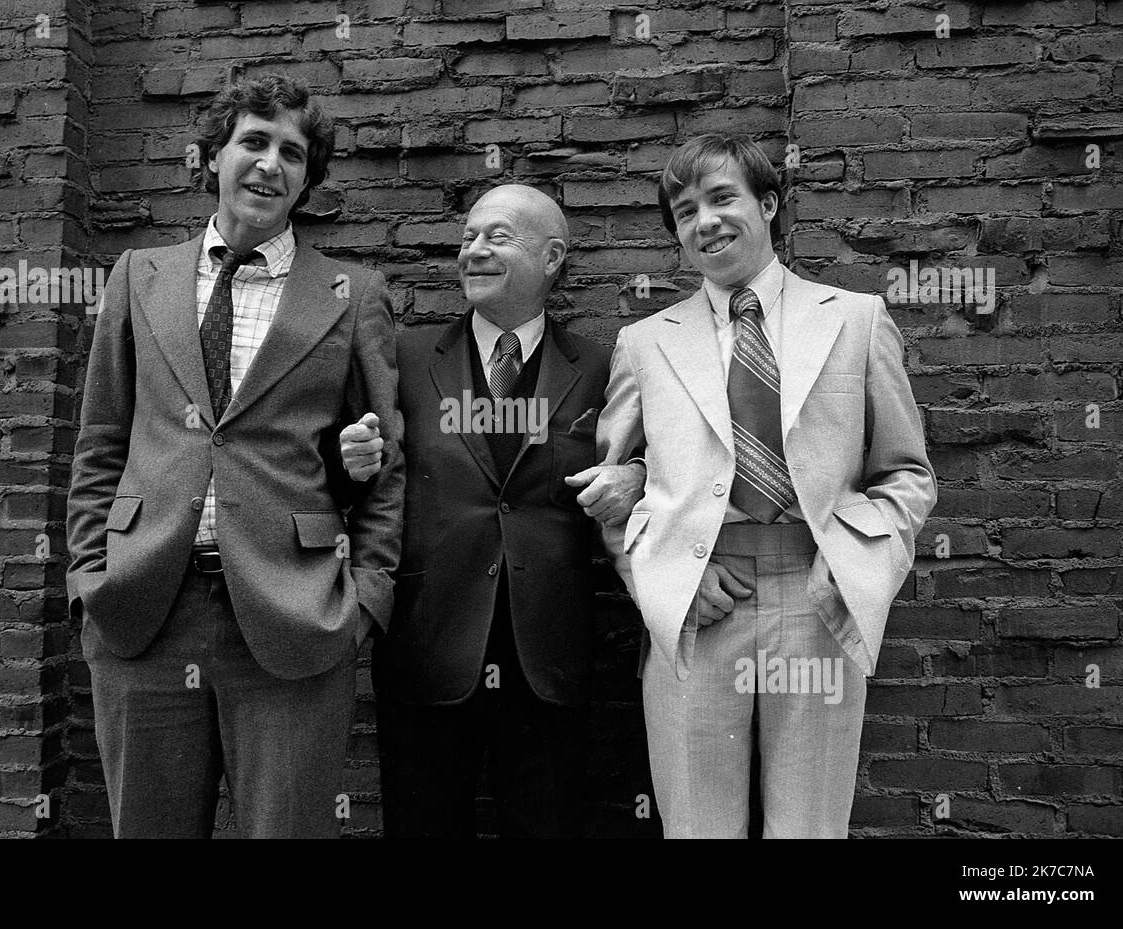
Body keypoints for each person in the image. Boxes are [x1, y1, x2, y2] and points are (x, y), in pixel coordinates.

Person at [65, 76, 404, 838]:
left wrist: (366, 602)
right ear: (213, 156)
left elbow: (385, 467)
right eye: (253, 141)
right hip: (145, 611)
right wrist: (91, 577)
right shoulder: (137, 277)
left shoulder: (355, 294)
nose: (270, 164)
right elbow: (99, 444)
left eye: (293, 152)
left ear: (308, 179)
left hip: (294, 618)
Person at [594, 133, 937, 838]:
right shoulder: (644, 342)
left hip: (817, 598)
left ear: (769, 204)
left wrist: (858, 561)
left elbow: (907, 473)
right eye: (685, 212)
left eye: (722, 198)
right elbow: (614, 493)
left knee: (810, 828)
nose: (705, 221)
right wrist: (661, 574)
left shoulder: (855, 318)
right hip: (697, 607)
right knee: (696, 827)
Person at [339, 184, 642, 837]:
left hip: (549, 658)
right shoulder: (404, 355)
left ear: (552, 255)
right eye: (468, 237)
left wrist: (635, 474)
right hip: (427, 646)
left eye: (496, 237)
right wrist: (350, 461)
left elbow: (663, 469)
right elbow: (354, 477)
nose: (473, 250)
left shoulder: (598, 364)